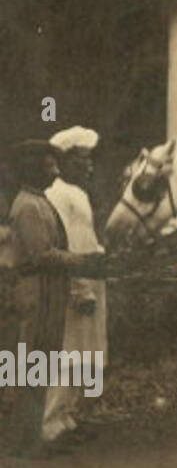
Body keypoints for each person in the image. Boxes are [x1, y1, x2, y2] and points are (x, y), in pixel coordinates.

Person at [4, 140, 104, 459]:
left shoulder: (39, 201)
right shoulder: (27, 206)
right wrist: (82, 261)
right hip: (35, 291)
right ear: (33, 169)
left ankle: (35, 435)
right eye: (50, 166)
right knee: (34, 364)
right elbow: (41, 254)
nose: (56, 172)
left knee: (44, 362)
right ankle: (27, 439)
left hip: (48, 289)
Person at [43, 126, 109, 445]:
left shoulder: (79, 194)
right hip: (74, 286)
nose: (90, 165)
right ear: (66, 161)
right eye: (83, 159)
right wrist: (80, 289)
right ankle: (49, 422)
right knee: (68, 351)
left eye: (91, 159)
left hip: (92, 280)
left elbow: (88, 240)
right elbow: (68, 245)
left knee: (86, 353)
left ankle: (67, 415)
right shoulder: (57, 194)